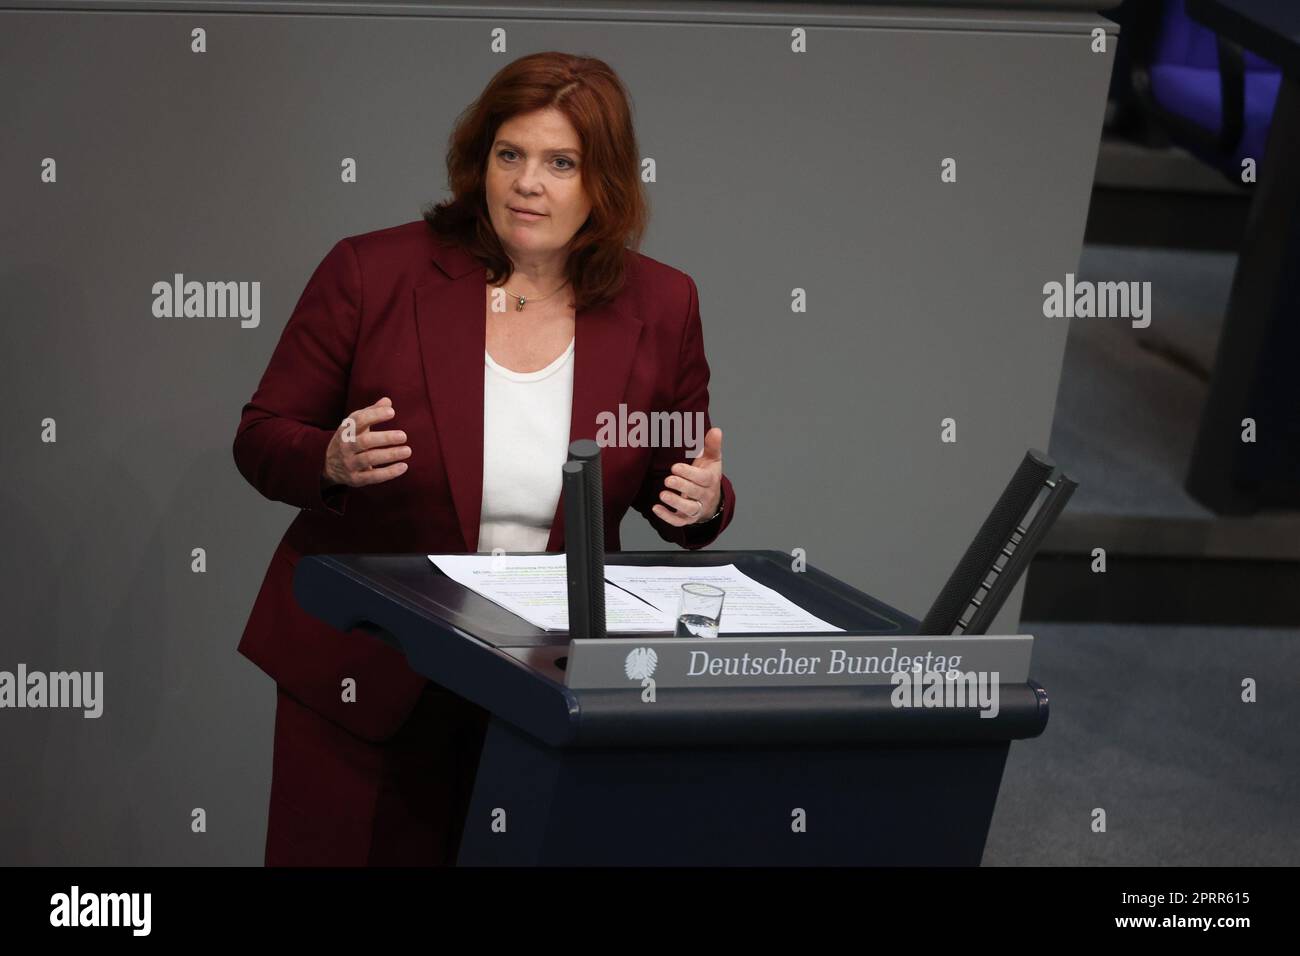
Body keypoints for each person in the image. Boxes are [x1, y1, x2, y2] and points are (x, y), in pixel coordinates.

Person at [232, 51, 736, 866]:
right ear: (481, 161)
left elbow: (680, 477)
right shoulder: (374, 272)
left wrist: (703, 501)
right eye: (511, 155)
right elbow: (262, 436)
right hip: (369, 678)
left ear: (602, 181)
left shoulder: (661, 303)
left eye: (560, 162)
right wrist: (328, 459)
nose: (527, 183)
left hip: (541, 690)